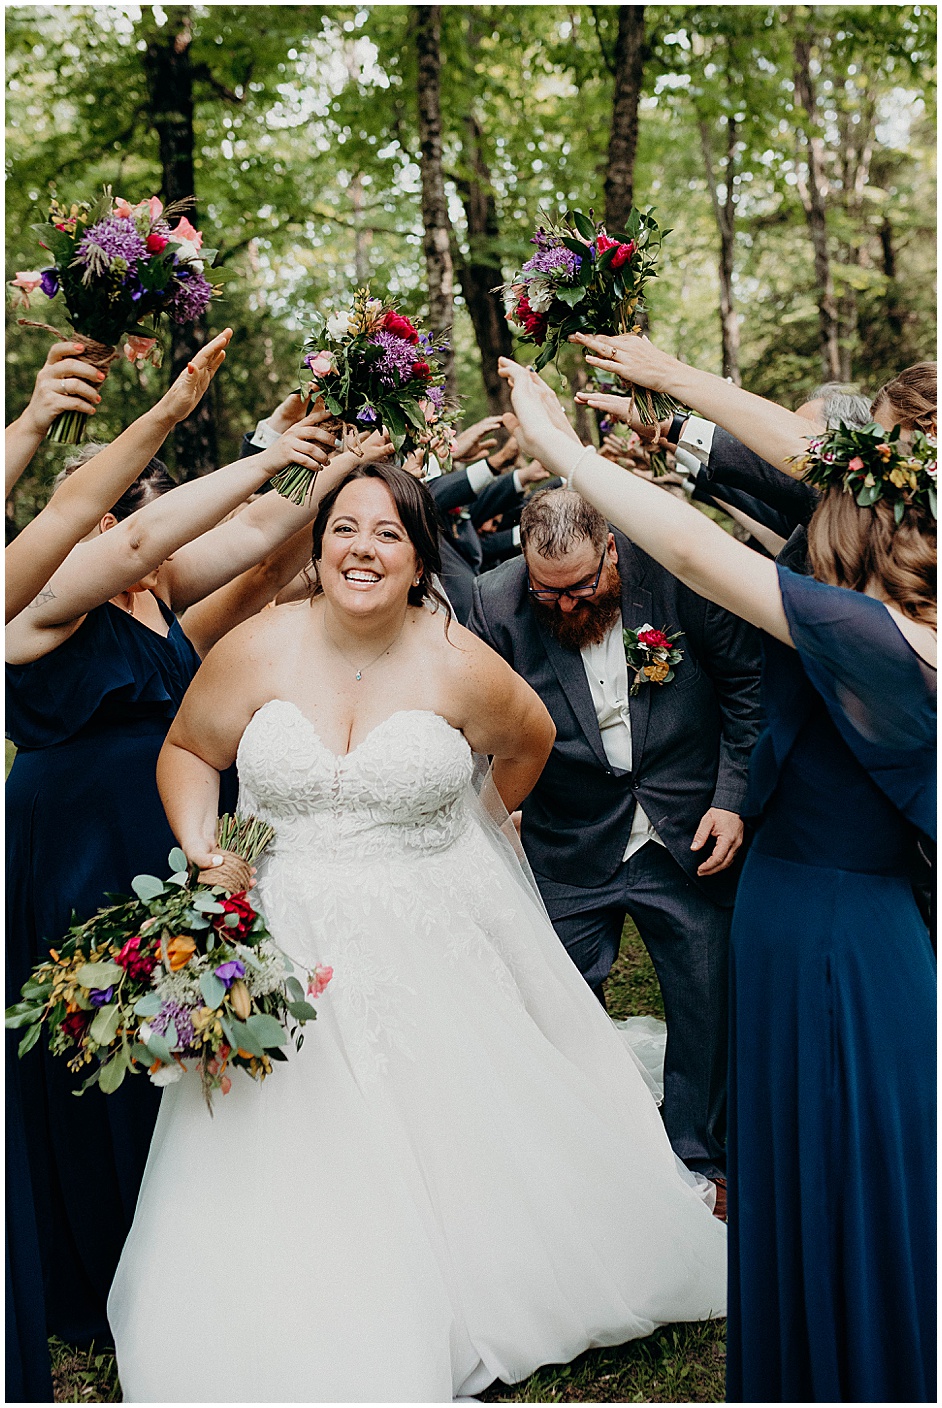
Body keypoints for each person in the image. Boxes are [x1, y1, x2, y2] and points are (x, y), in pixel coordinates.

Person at [108, 460, 727, 1402]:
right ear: (318, 547)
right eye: (344, 529)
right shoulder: (258, 645)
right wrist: (201, 845)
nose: (363, 549)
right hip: (281, 931)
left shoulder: (457, 658)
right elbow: (191, 748)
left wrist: (465, 824)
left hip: (426, 923)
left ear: (419, 557)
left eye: (388, 533)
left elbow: (526, 742)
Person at [498, 344, 935, 1403]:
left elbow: (695, 554)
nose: (828, 481)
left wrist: (559, 447)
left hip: (826, 940)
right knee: (864, 1173)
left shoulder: (869, 637)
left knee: (838, 1169)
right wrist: (674, 386)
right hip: (864, 925)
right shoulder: (896, 623)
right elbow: (805, 476)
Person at [4, 387, 363, 1348]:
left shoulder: (161, 602)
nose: (147, 529)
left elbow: (254, 539)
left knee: (188, 1017)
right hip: (77, 843)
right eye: (112, 508)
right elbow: (134, 540)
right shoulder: (36, 601)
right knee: (104, 1034)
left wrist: (341, 458)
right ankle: (110, 1262)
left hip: (164, 830)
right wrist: (250, 442)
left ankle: (198, 1241)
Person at [468, 486, 763, 1205]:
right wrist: (500, 807)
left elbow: (747, 689)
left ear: (610, 549)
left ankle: (700, 1157)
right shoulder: (494, 603)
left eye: (581, 588)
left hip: (686, 828)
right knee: (552, 999)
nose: (567, 607)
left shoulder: (676, 570)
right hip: (566, 835)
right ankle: (580, 1163)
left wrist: (732, 800)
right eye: (547, 593)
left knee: (704, 1001)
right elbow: (474, 722)